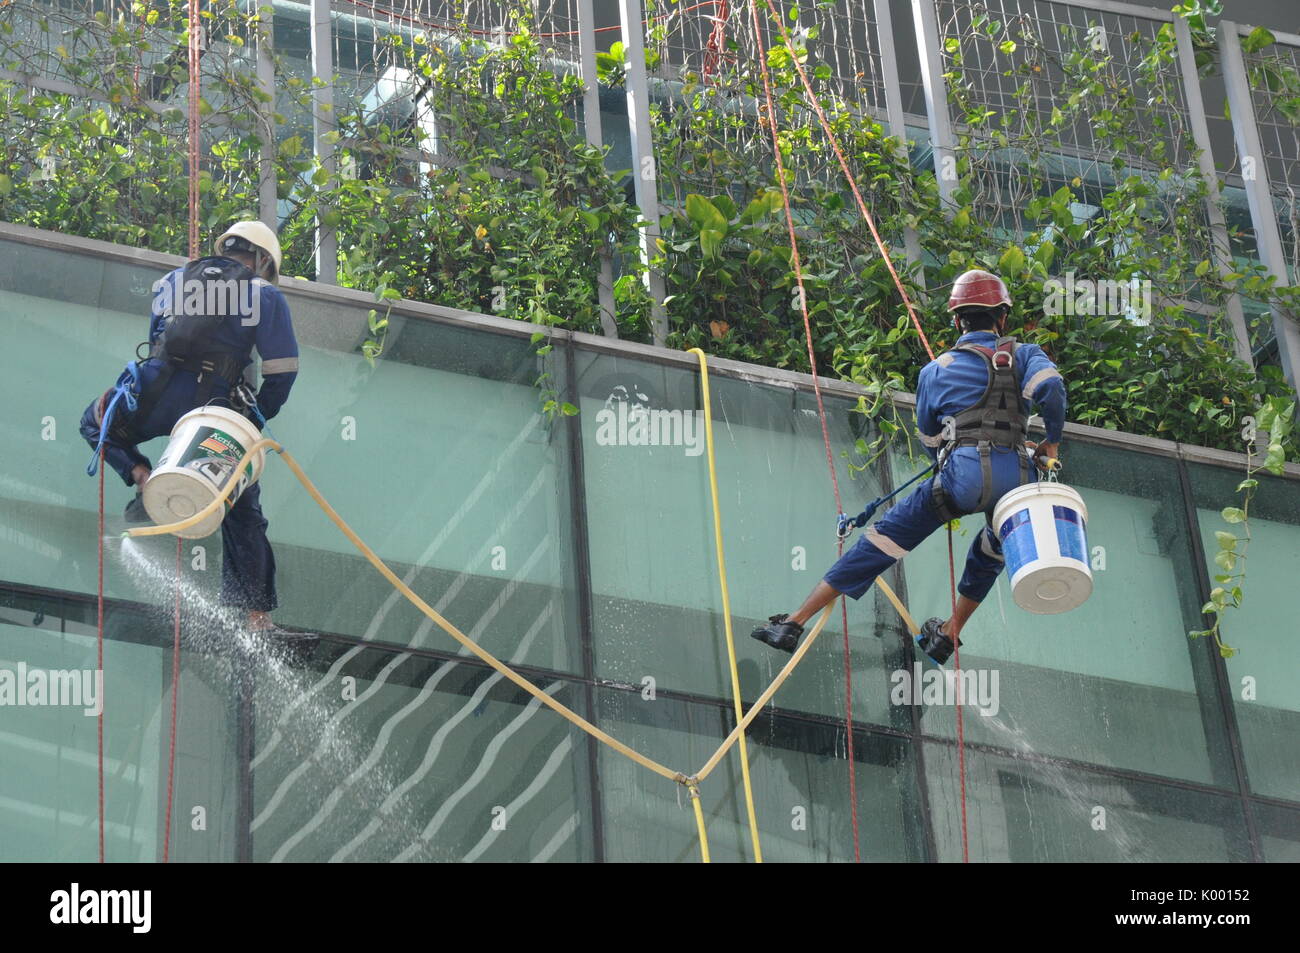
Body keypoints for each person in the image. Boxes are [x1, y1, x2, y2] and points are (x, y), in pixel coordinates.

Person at [750, 269, 1068, 664]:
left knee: (884, 539)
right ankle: (949, 634)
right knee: (991, 549)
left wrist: (955, 453)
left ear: (957, 320)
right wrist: (1049, 441)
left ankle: (793, 622)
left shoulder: (936, 370)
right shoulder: (1023, 354)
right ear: (1002, 316)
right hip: (1016, 479)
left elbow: (931, 441)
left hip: (961, 477)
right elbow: (1051, 389)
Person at [80, 221, 313, 652]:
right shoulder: (263, 293)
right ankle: (257, 620)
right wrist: (250, 425)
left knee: (93, 422)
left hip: (154, 391)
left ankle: (144, 479)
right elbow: (282, 371)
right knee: (241, 504)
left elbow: (158, 339)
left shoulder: (172, 280)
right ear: (262, 259)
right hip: (212, 408)